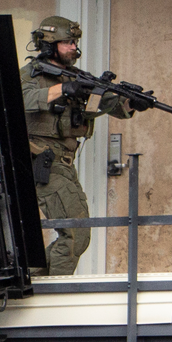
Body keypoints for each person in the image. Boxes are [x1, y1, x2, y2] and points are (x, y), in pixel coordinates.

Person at [22, 15, 135, 275]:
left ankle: (36, 279)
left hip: (63, 164)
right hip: (42, 161)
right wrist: (64, 89)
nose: (74, 47)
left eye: (75, 42)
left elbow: (101, 104)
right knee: (76, 233)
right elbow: (22, 99)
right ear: (49, 45)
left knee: (78, 231)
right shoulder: (32, 74)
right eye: (67, 42)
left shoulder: (75, 76)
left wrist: (130, 104)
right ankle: (48, 289)